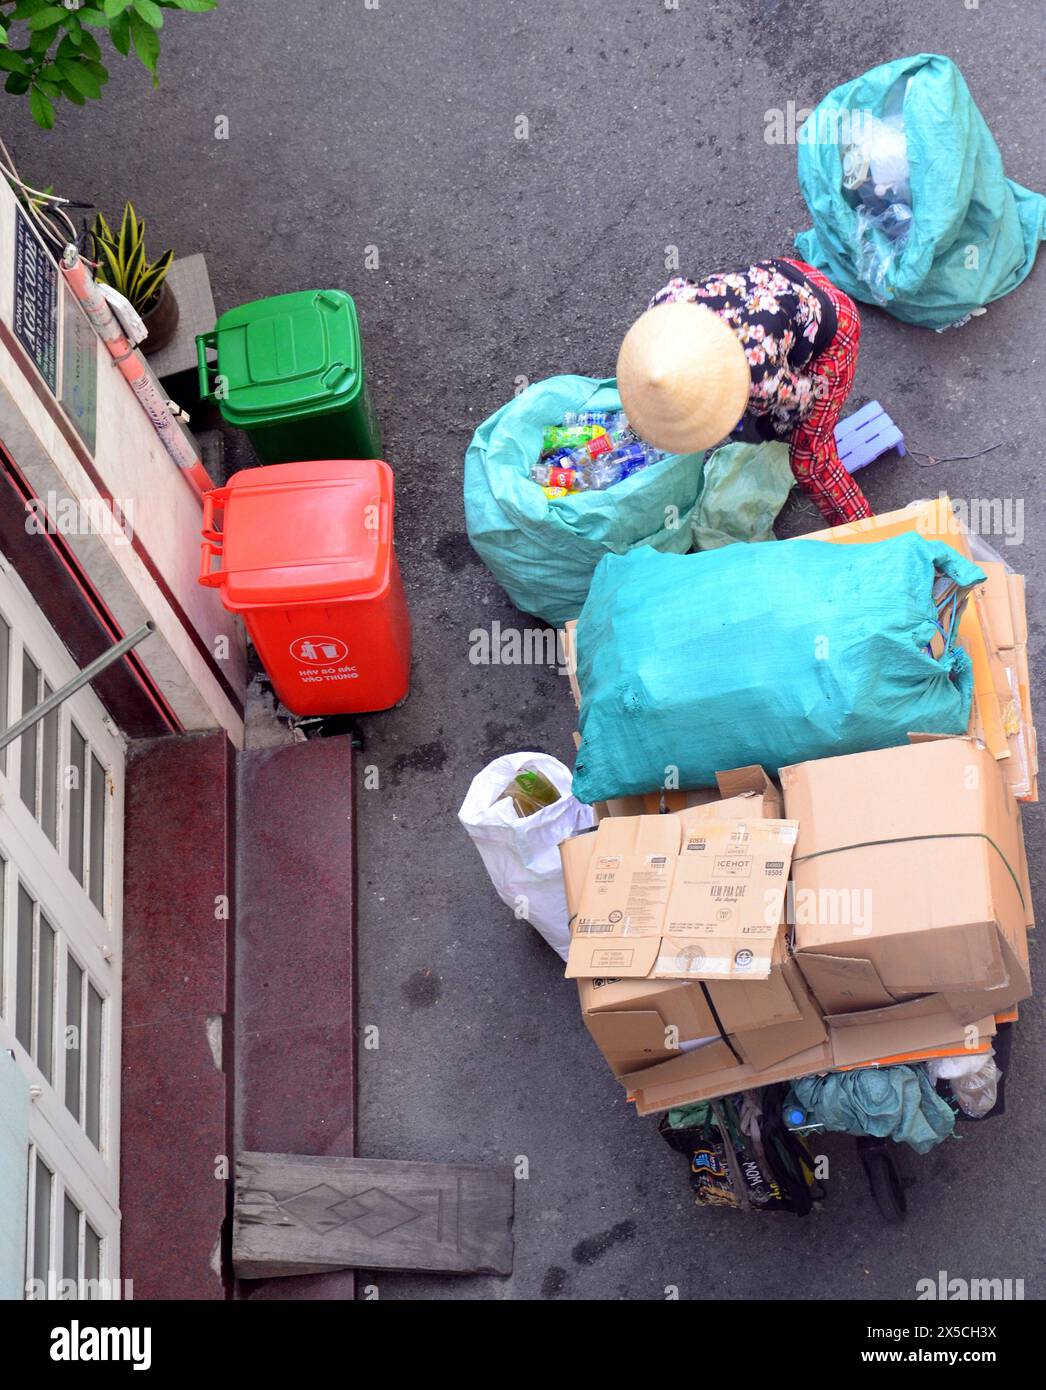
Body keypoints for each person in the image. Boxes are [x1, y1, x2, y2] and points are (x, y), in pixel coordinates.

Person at [616, 258, 873, 524]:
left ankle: (867, 533)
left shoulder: (757, 379)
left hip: (836, 326)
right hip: (783, 278)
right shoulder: (664, 306)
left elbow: (803, 399)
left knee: (809, 461)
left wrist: (760, 428)